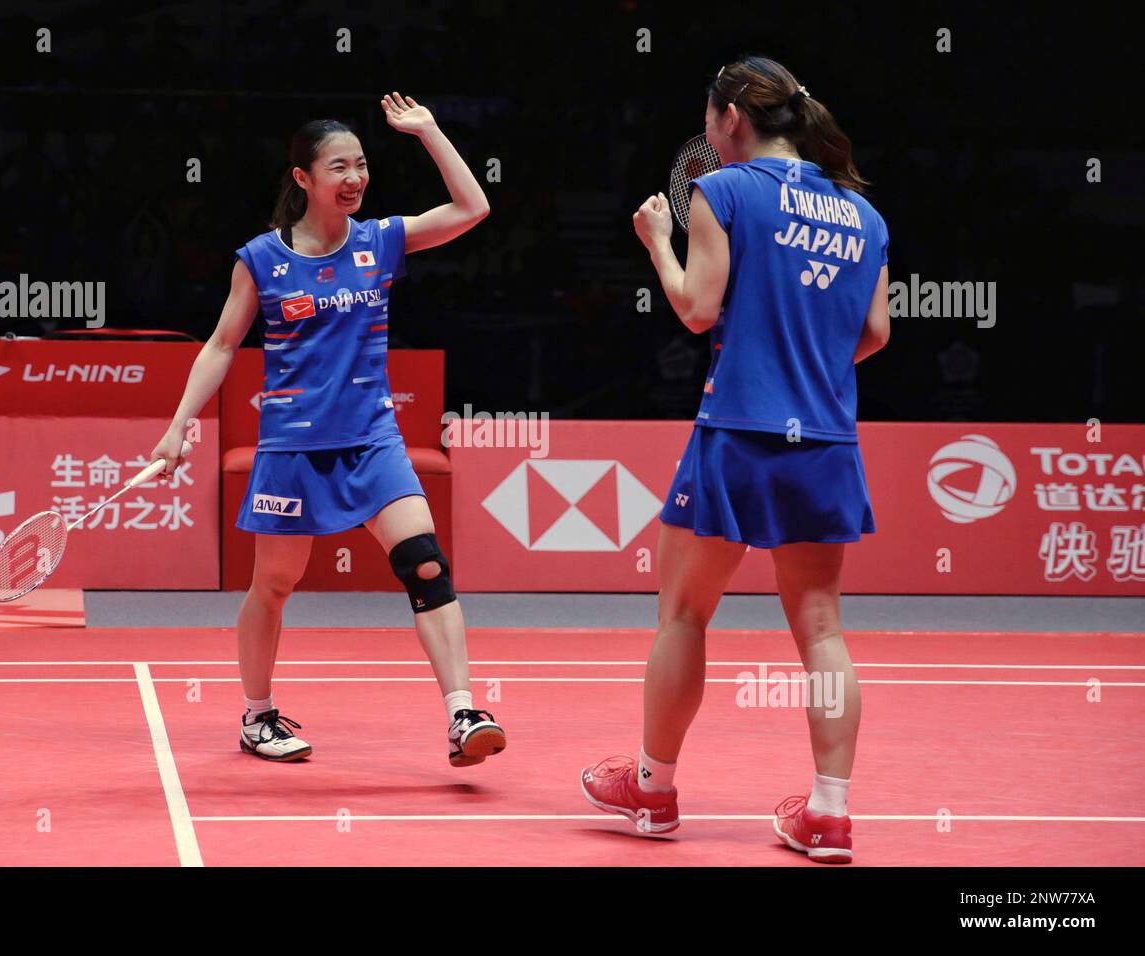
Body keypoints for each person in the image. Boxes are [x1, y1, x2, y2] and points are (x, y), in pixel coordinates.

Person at [580, 57, 891, 863]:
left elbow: (695, 308)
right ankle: (828, 812)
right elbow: (876, 335)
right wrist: (810, 369)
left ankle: (652, 791)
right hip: (824, 438)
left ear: (729, 120)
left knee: (684, 614)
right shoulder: (864, 214)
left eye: (709, 120)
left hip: (738, 431)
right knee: (821, 627)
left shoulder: (723, 193)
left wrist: (656, 240)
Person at [152, 93, 505, 768]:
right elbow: (222, 345)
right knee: (274, 586)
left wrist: (429, 132)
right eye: (338, 166)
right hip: (292, 446)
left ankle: (463, 711)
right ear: (303, 179)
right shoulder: (260, 259)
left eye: (362, 165)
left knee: (424, 563)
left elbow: (472, 209)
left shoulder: (381, 242)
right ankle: (258, 716)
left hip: (372, 440)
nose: (355, 178)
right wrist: (177, 428)